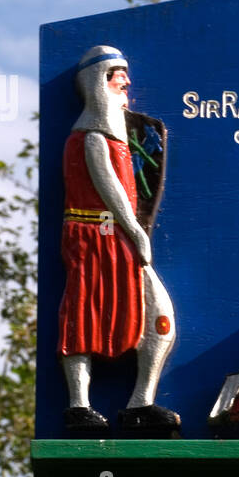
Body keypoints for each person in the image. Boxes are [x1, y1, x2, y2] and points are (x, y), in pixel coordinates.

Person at [60, 45, 179, 434]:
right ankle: (79, 405)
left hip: (117, 236)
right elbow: (110, 190)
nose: (126, 81)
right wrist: (136, 233)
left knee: (158, 315)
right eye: (116, 75)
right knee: (83, 315)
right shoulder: (91, 135)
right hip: (96, 235)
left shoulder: (120, 135)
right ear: (97, 81)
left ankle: (140, 403)